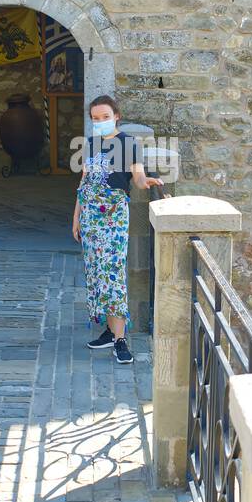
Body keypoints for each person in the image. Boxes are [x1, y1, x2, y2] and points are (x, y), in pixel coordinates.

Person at [71, 95, 164, 363]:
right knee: (96, 274)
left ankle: (121, 340)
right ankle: (109, 332)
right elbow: (84, 181)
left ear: (116, 116)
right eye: (95, 118)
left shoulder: (128, 144)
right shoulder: (90, 145)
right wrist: (76, 217)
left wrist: (147, 182)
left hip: (113, 216)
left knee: (112, 274)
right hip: (89, 216)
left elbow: (137, 178)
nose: (99, 122)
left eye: (104, 117)